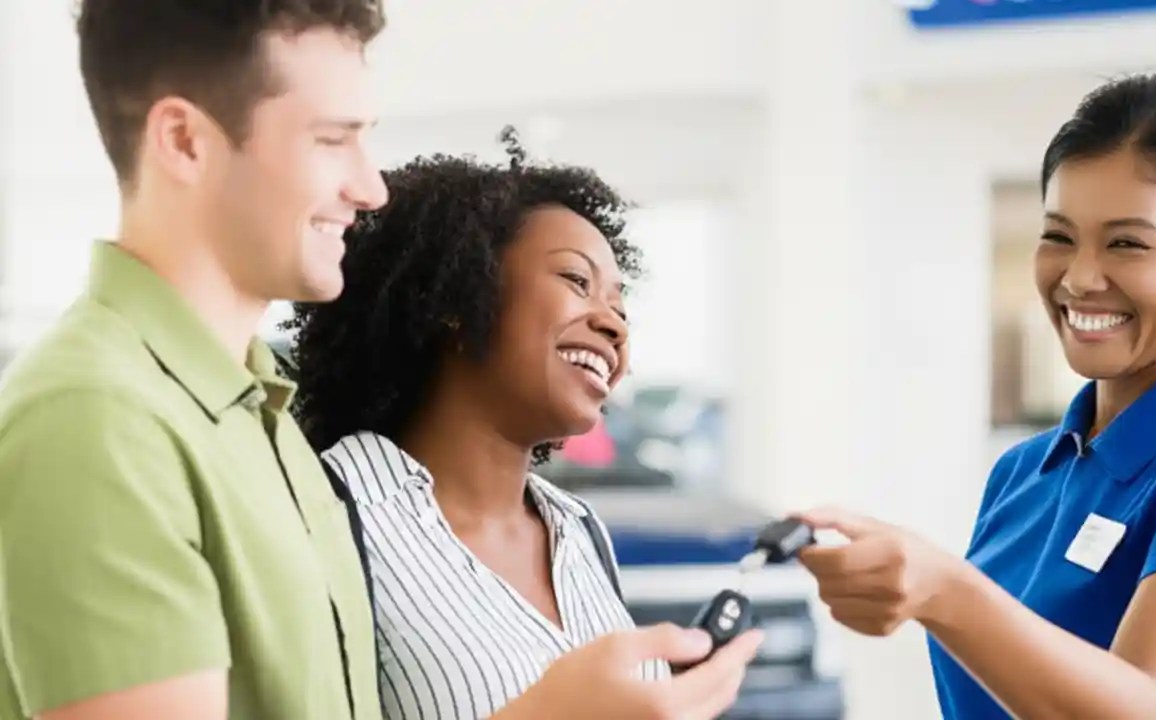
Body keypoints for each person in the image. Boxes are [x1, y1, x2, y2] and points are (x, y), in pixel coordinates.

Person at [0, 4, 755, 720]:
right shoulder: (96, 419)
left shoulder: (265, 434)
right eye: (333, 140)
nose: (370, 187)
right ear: (184, 141)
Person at [794, 73, 1156, 719]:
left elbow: (1151, 709)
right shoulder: (1022, 473)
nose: (1078, 278)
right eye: (1058, 236)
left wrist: (943, 590)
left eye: (1127, 243)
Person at [285, 129, 763, 720]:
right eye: (576, 282)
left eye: (619, 306)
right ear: (456, 298)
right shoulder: (327, 509)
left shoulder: (581, 530)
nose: (613, 326)